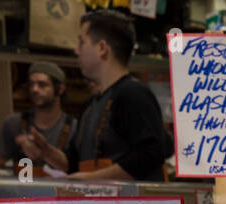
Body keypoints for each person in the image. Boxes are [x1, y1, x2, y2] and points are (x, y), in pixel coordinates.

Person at [25, 11, 169, 181]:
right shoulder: (90, 105)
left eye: (81, 42)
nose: (76, 50)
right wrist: (47, 152)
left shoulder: (133, 94)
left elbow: (150, 155)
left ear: (102, 48)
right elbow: (74, 163)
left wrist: (91, 180)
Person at [0, 63, 76, 175]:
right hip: (22, 190)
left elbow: (76, 170)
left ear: (60, 89)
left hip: (59, 191)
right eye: (31, 84)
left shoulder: (74, 127)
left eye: (42, 85)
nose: (34, 89)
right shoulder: (14, 123)